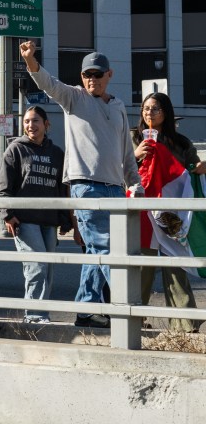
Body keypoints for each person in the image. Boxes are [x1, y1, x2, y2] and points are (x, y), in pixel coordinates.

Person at [21, 42, 138, 327]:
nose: (92, 80)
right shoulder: (74, 98)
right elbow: (48, 84)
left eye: (97, 74)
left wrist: (135, 184)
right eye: (87, 75)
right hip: (86, 185)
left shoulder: (119, 106)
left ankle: (85, 310)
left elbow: (126, 151)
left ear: (109, 74)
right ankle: (128, 310)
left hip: (115, 188)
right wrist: (30, 60)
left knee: (96, 252)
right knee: (106, 247)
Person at [131, 91, 202, 329]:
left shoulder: (180, 142)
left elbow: (192, 167)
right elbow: (118, 167)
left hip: (172, 213)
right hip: (142, 211)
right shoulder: (133, 137)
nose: (149, 112)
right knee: (143, 266)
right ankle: (134, 320)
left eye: (155, 109)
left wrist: (199, 167)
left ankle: (184, 324)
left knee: (176, 265)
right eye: (146, 108)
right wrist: (135, 155)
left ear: (166, 112)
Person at [0, 105, 69, 321]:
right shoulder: (15, 150)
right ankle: (34, 316)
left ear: (47, 125)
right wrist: (7, 213)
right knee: (36, 267)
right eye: (27, 121)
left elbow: (62, 188)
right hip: (25, 220)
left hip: (49, 221)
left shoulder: (57, 153)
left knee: (48, 270)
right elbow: (3, 186)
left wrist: (65, 219)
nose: (30, 125)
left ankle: (40, 314)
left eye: (35, 120)